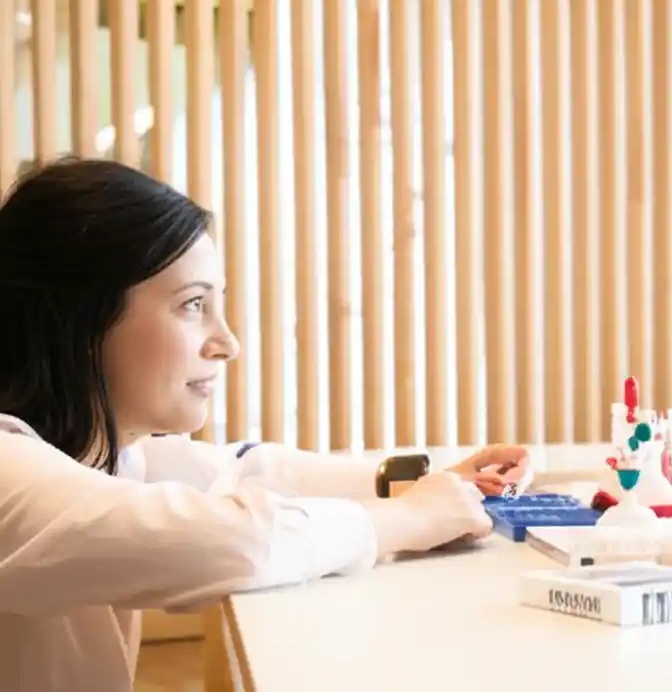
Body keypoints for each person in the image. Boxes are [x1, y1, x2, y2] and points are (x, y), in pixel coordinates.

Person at [0, 159, 528, 692]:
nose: (226, 343)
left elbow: (241, 471)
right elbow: (229, 542)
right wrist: (404, 519)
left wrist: (419, 483)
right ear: (81, 318)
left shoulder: (108, 454)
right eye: (192, 306)